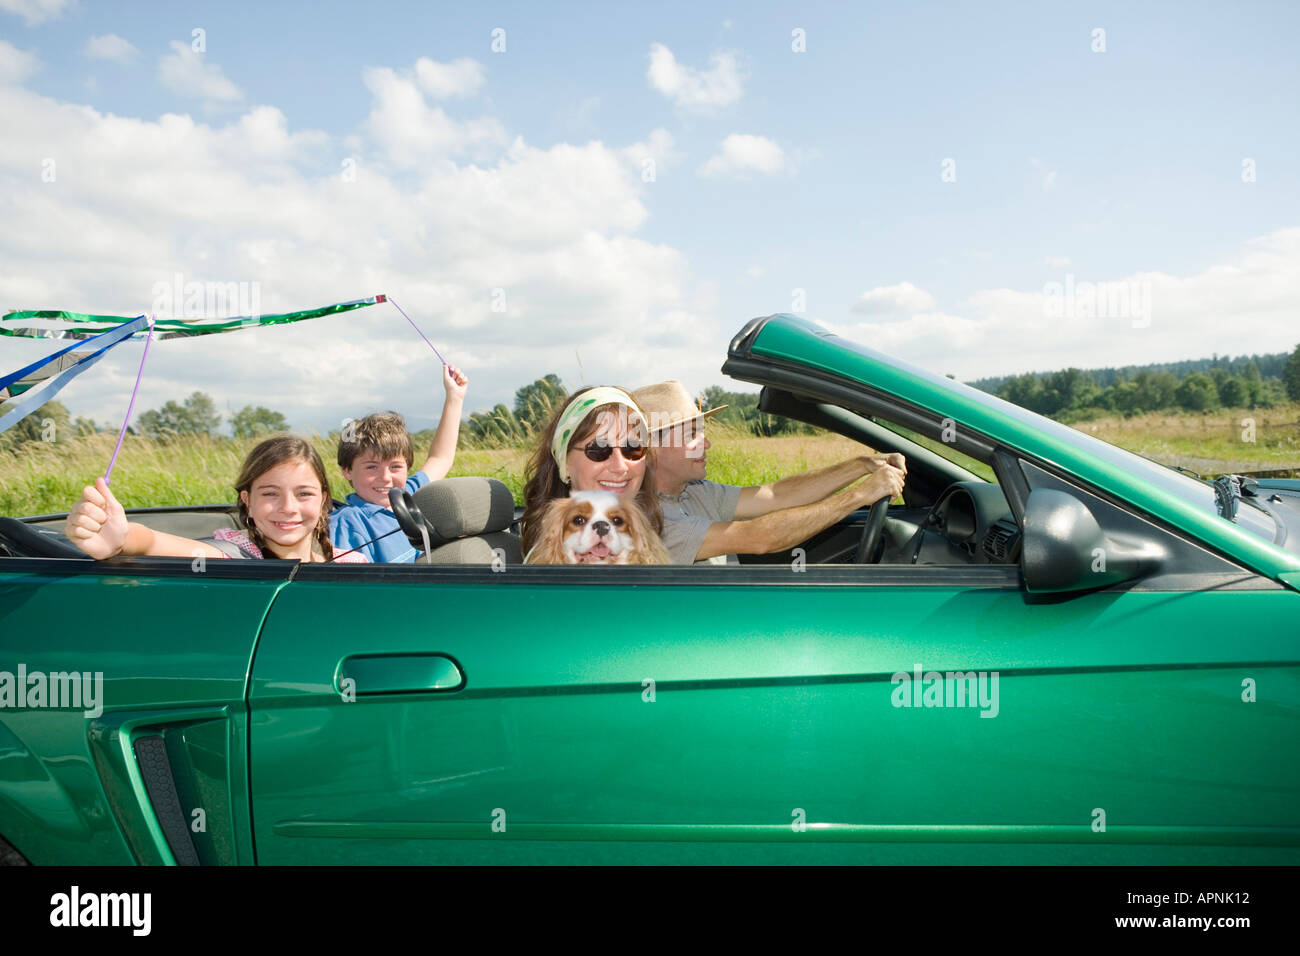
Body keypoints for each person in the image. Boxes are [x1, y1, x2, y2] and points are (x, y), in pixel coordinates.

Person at [630, 380, 907, 565]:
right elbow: (760, 538)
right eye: (692, 434)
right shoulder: (654, 522)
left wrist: (862, 465)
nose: (706, 443)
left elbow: (777, 495)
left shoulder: (694, 491)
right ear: (652, 448)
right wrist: (859, 496)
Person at [64, 434, 367, 562]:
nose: (288, 508)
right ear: (247, 501)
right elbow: (154, 542)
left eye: (304, 494)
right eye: (270, 493)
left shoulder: (353, 563)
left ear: (324, 500)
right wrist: (121, 539)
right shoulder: (235, 554)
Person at [330, 364, 468, 562]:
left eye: (395, 467)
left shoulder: (406, 496)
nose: (386, 478)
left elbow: (440, 458)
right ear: (347, 471)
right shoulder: (347, 523)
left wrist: (455, 397)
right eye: (371, 467)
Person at [520, 385, 664, 559]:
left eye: (633, 449)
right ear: (565, 463)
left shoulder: (649, 547)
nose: (620, 467)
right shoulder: (552, 561)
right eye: (598, 450)